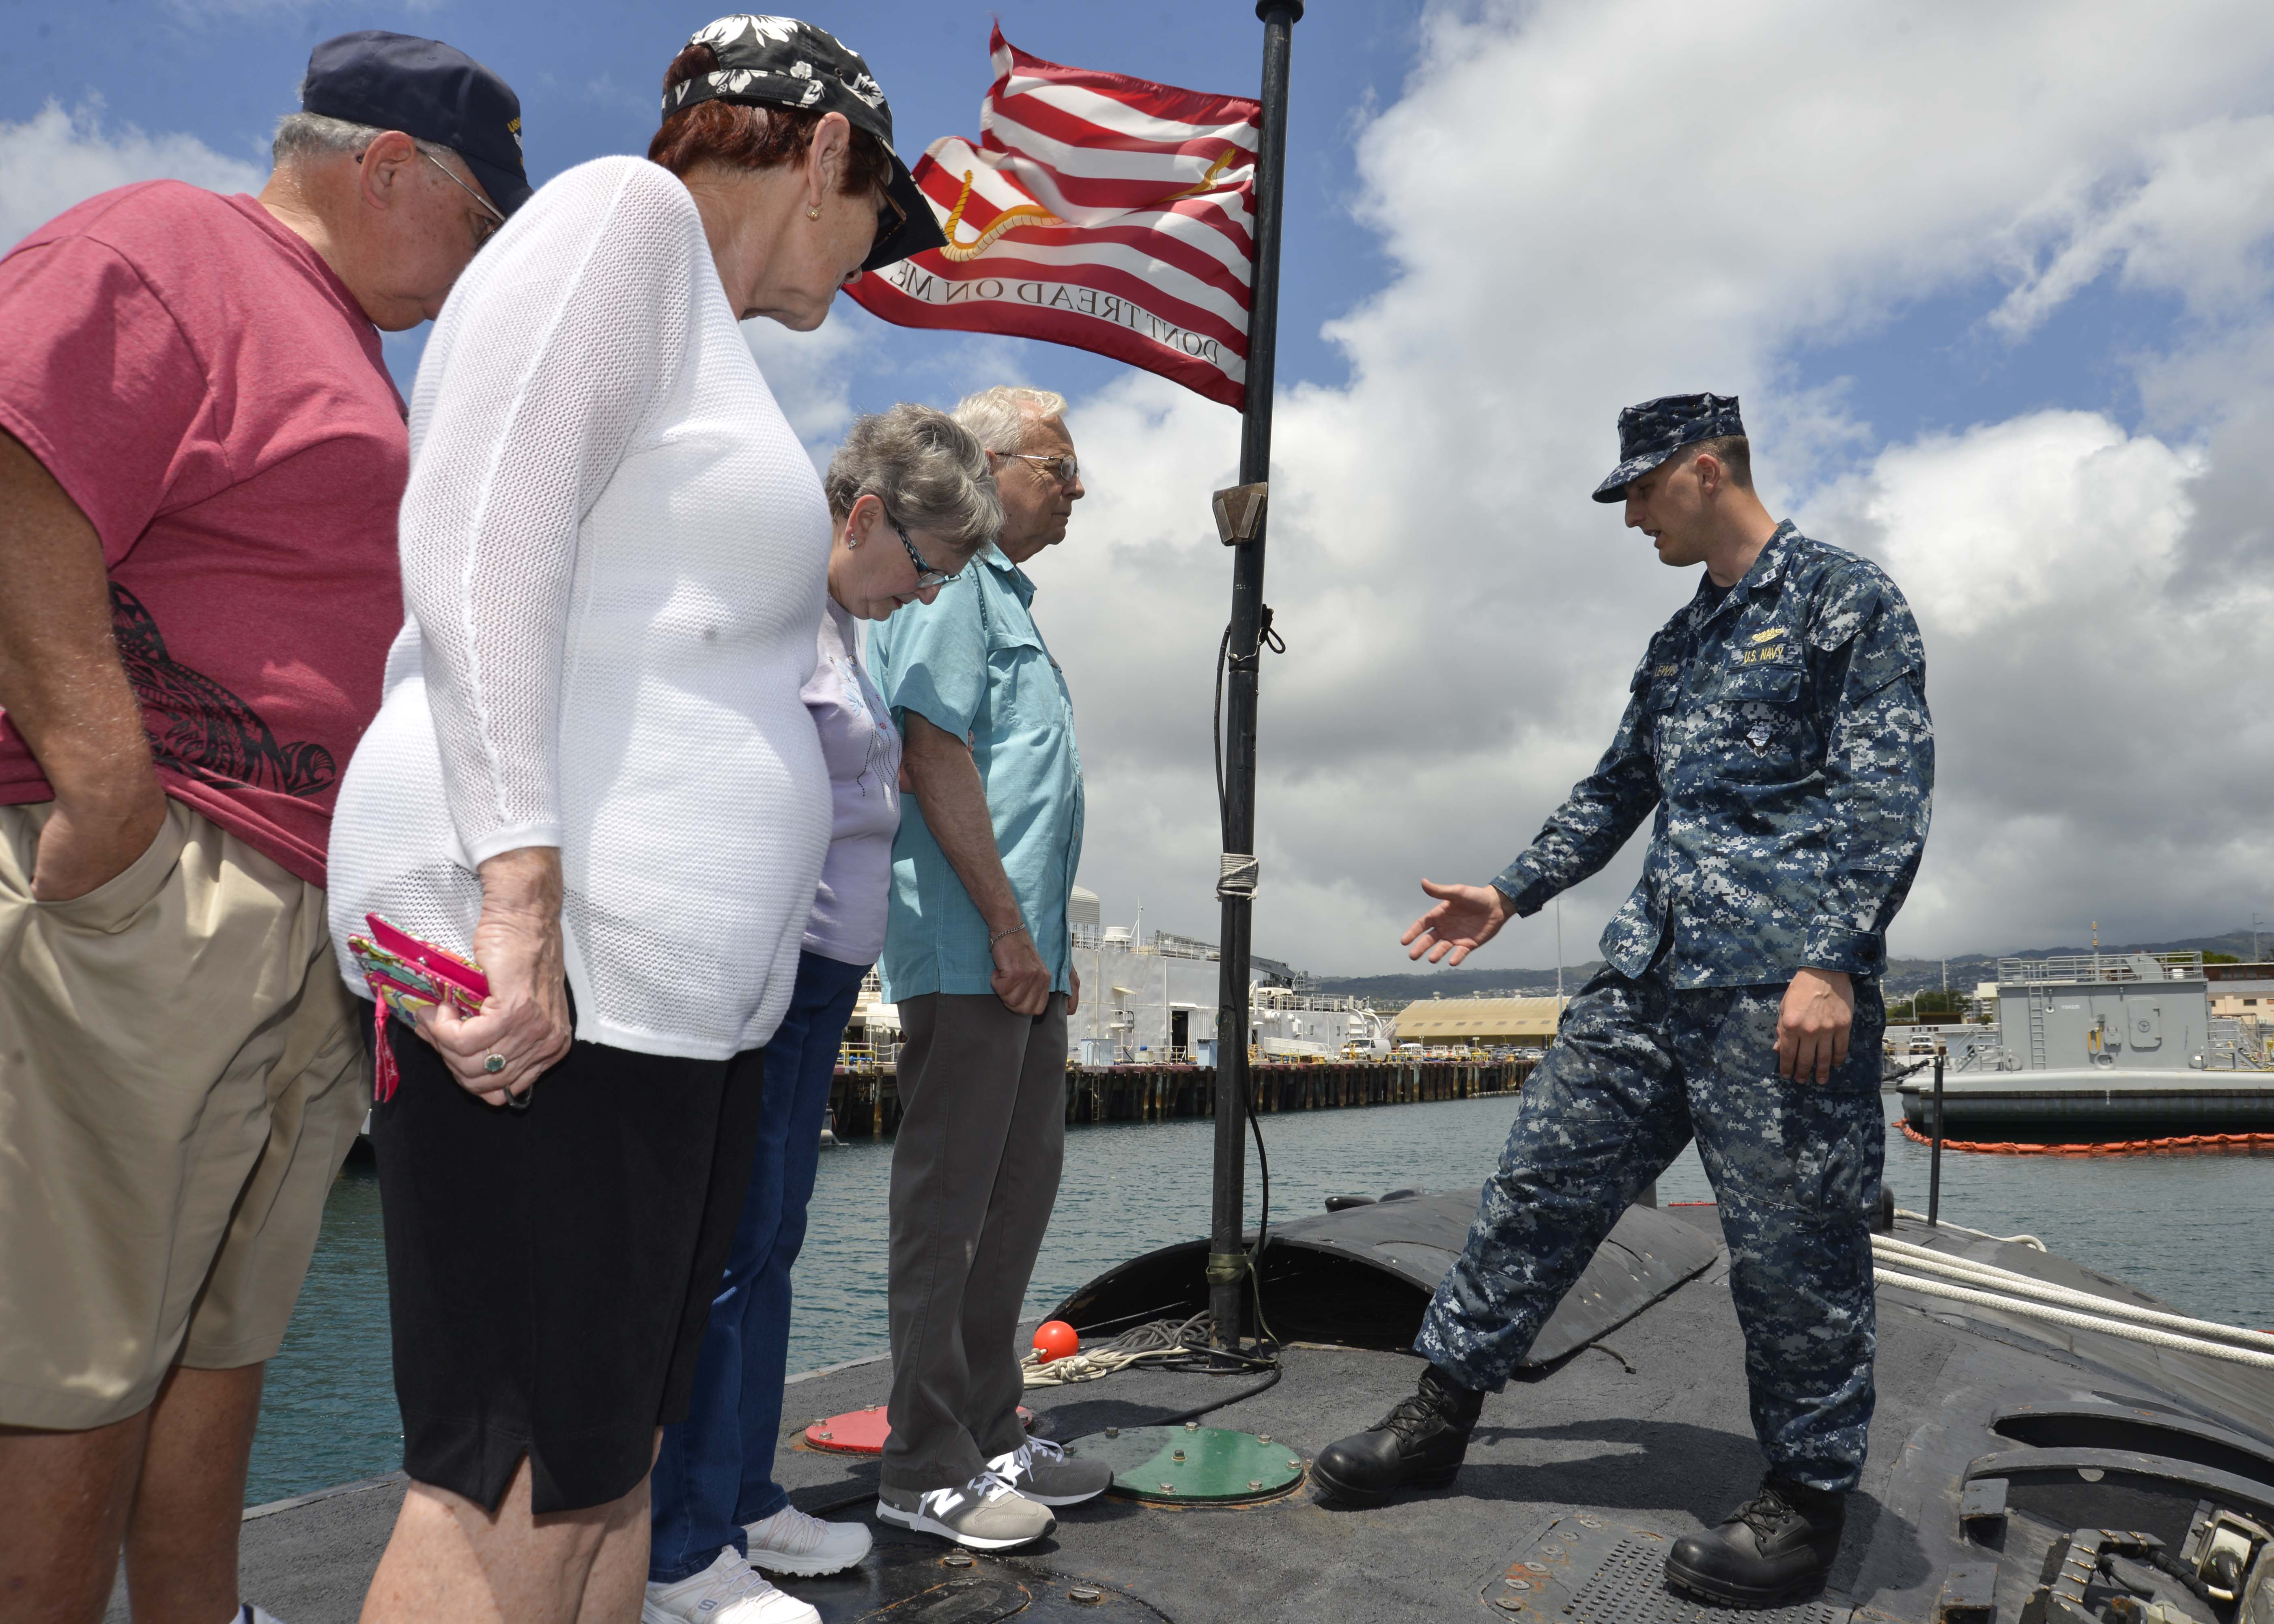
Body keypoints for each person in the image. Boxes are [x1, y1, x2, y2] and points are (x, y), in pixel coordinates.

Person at [323, 17, 945, 1624]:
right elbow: (481, 522)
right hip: (553, 955)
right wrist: (514, 903)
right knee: (508, 1479)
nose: (877, 256)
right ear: (821, 151)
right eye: (882, 211)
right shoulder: (622, 217)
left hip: (662, 1000)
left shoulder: (707, 334)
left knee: (607, 1474)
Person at [0, 32, 528, 1624]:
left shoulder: (343, 345)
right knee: (77, 1359)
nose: (474, 278)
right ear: (389, 170)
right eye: (479, 230)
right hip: (166, 886)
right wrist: (109, 791)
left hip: (290, 909)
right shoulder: (168, 242)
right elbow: (18, 456)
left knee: (216, 1343)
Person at [1312, 394, 1933, 1607]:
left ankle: (1806, 1498)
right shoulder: (1679, 642)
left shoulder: (1842, 600)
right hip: (1650, 977)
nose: (1632, 514)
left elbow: (1888, 790)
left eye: (1643, 490)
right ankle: (1442, 1411)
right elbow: (1615, 791)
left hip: (1777, 988)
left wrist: (1834, 961)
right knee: (1539, 1185)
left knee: (1795, 1252)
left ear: (1706, 471)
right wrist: (1510, 889)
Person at [644, 405, 1002, 1624]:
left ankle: (741, 1497)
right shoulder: (776, 609)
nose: (929, 590)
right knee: (728, 1257)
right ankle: (681, 1549)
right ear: (864, 516)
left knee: (772, 1243)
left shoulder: (842, 624)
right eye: (929, 563)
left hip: (820, 985)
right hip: (773, 979)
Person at [860, 384, 1108, 1551]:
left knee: (1015, 1201)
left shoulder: (1006, 596)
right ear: (993, 463)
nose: (1076, 493)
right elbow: (930, 747)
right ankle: (921, 1462)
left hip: (1025, 961)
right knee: (948, 1212)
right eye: (1061, 469)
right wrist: (1010, 932)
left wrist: (1044, 955)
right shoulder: (953, 588)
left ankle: (984, 1421)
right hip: (973, 951)